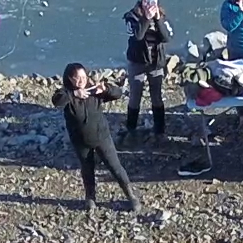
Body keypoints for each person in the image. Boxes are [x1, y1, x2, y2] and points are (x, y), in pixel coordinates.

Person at [54, 63, 137, 211]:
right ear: (70, 79)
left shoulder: (94, 92)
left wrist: (106, 88)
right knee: (87, 169)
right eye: (77, 78)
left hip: (102, 137)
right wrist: (74, 94)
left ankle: (131, 196)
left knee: (115, 167)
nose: (81, 81)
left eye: (84, 77)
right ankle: (90, 198)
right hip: (80, 141)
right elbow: (57, 101)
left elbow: (117, 93)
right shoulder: (67, 94)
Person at [123, 0, 174, 139]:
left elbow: (166, 38)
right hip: (137, 62)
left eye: (152, 1)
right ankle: (131, 128)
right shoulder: (131, 17)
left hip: (155, 62)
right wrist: (146, 18)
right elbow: (138, 36)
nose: (149, 4)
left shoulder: (161, 16)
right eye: (146, 1)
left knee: (156, 96)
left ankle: (160, 129)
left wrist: (157, 19)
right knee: (135, 96)